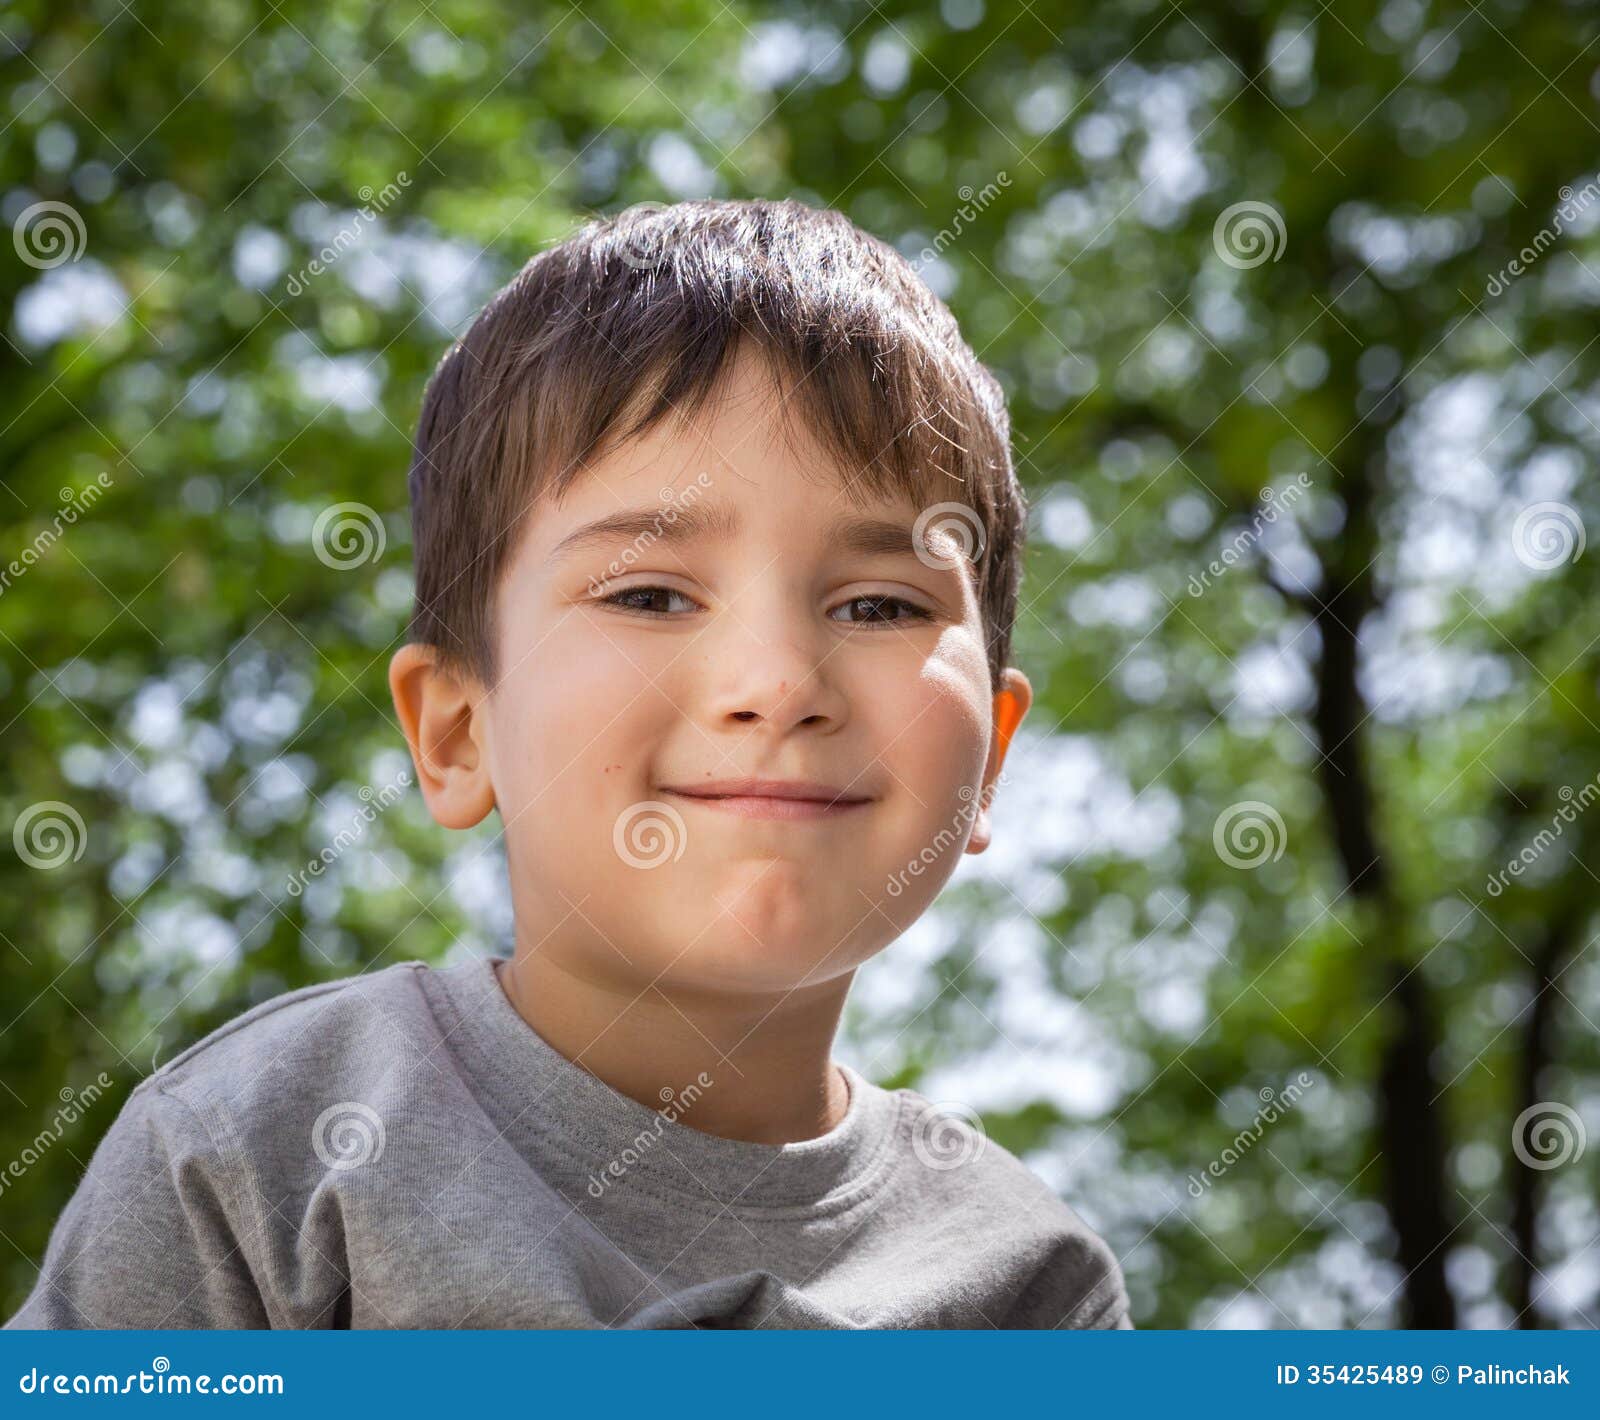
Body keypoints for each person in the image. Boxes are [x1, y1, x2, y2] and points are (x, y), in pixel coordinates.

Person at [7, 199, 1132, 1330]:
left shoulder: (1035, 1288)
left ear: (989, 758)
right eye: (650, 593)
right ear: (455, 732)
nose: (781, 680)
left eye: (879, 603)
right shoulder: (256, 1153)